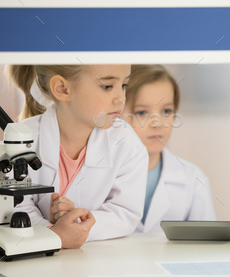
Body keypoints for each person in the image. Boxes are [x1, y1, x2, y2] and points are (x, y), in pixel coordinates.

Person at [9, 65, 148, 248]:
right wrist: (54, 232)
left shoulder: (127, 145)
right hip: (32, 258)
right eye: (107, 86)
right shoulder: (19, 140)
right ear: (62, 89)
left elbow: (124, 213)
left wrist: (81, 220)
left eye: (124, 85)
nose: (121, 99)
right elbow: (12, 208)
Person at [122, 65, 215, 233]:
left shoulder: (194, 180)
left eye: (166, 111)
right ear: (117, 114)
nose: (157, 123)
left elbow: (207, 249)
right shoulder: (96, 175)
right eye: (142, 112)